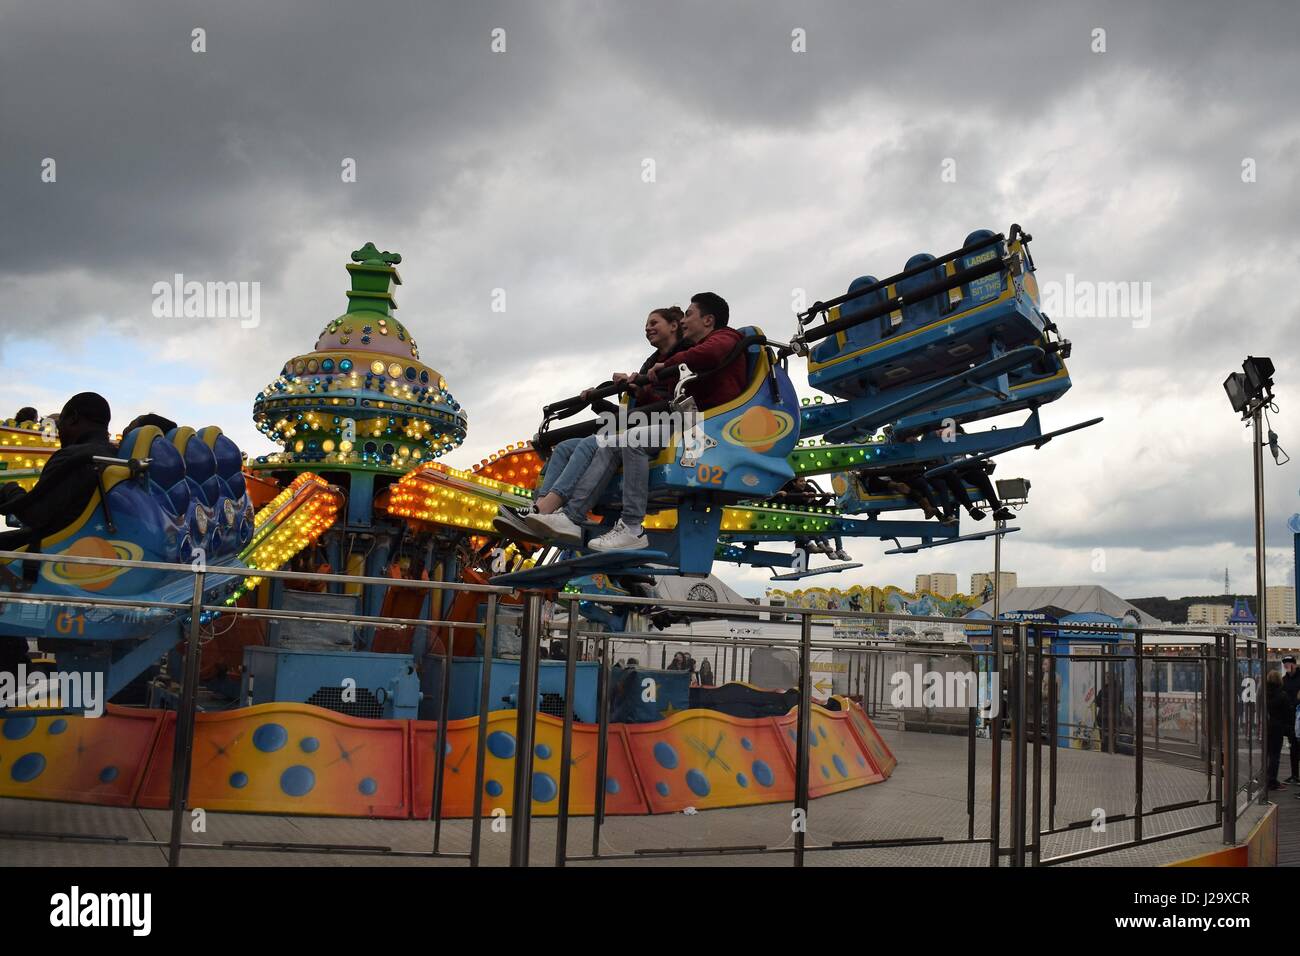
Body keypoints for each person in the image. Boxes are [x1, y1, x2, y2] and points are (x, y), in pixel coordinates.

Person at [527, 292, 747, 551]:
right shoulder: (680, 358)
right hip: (690, 423)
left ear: (708, 320)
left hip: (709, 427)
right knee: (605, 443)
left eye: (689, 315)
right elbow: (657, 400)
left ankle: (631, 526)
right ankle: (567, 515)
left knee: (627, 440)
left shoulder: (725, 338)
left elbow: (705, 357)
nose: (684, 320)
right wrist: (634, 388)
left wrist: (666, 366)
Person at [498, 308, 686, 538]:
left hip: (662, 424)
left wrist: (639, 388)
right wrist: (608, 394)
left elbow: (669, 401)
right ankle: (540, 508)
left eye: (654, 322)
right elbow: (639, 403)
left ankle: (551, 511)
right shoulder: (652, 362)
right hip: (640, 422)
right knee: (566, 447)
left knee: (590, 443)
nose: (648, 328)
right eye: (646, 324)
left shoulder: (683, 357)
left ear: (673, 326)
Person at [0, 392, 117, 550]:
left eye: (60, 422)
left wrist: (9, 489)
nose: (59, 431)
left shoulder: (72, 456)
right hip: (86, 543)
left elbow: (33, 515)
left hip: (51, 551)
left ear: (73, 418)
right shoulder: (113, 455)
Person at [1266, 669, 1289, 791]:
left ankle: (1266, 778)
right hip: (1277, 727)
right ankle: (1272, 781)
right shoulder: (1282, 695)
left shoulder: (1264, 693)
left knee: (1267, 754)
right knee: (1275, 756)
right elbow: (1287, 713)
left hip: (1266, 726)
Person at [1281, 656, 1300, 783]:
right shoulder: (1284, 680)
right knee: (1293, 747)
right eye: (1285, 664)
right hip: (1289, 718)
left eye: (1288, 663)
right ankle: (1294, 775)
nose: (1286, 666)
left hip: (1299, 715)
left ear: (1294, 664)